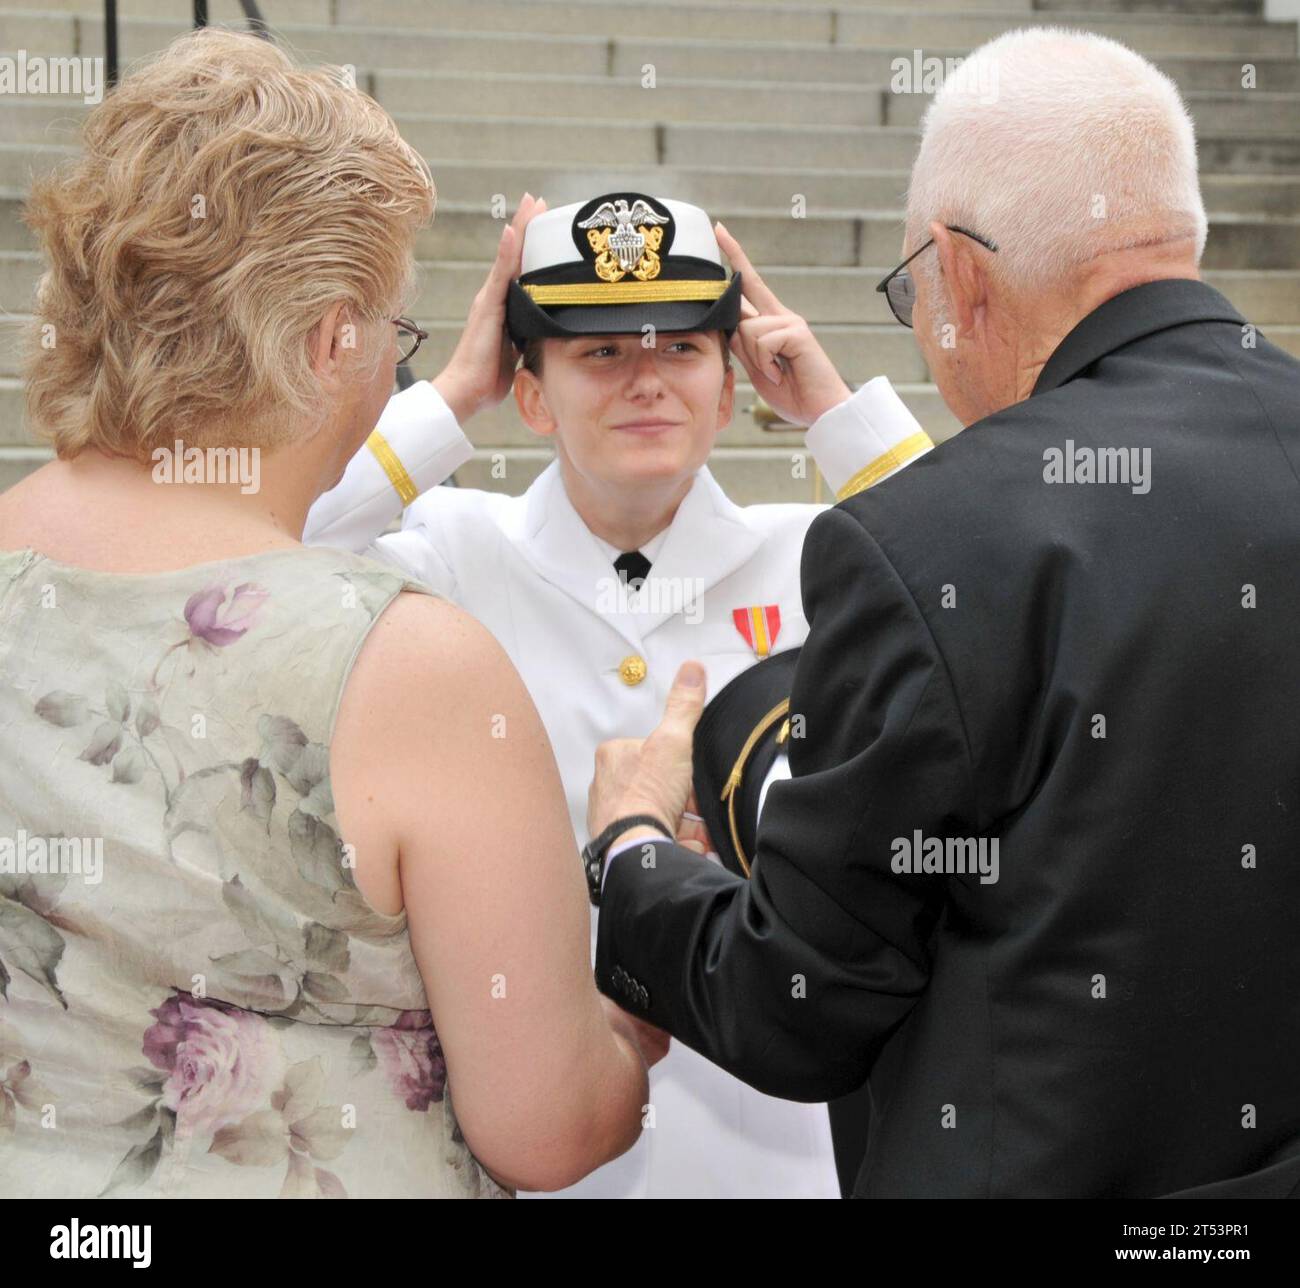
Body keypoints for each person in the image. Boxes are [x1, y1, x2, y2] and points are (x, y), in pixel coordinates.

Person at [583, 28, 1300, 1198]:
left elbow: (801, 1006)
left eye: (910, 289)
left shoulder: (932, 537)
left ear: (960, 275)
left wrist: (631, 854)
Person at [0, 28, 660, 1200]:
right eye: (392, 337)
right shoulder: (404, 665)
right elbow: (547, 1125)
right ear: (325, 341)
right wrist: (635, 1000)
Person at [303, 191, 934, 1197]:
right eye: (599, 353)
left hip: (757, 1126)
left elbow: (981, 601)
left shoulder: (817, 556)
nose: (647, 381)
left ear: (732, 391)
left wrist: (838, 414)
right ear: (534, 394)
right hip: (530, 1112)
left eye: (683, 349)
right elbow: (282, 552)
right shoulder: (460, 552)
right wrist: (451, 396)